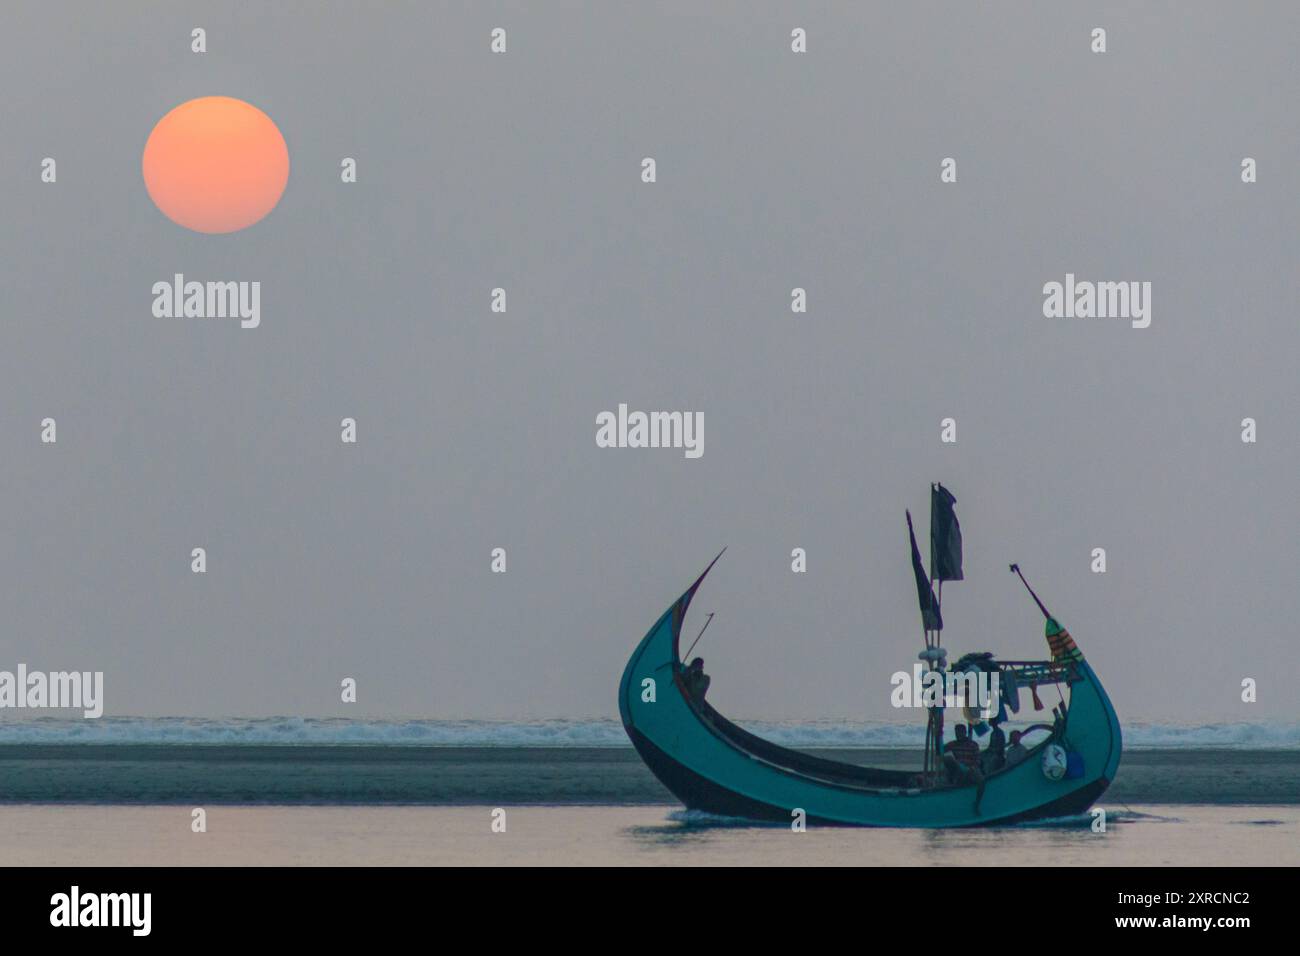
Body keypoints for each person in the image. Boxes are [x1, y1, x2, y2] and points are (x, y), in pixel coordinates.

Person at [943, 724, 986, 813]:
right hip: (958, 770)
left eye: (960, 732)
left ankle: (977, 804)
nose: (958, 735)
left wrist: (972, 767)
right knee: (952, 762)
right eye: (956, 733)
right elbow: (940, 750)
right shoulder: (953, 745)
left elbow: (977, 759)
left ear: (964, 733)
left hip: (971, 769)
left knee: (981, 781)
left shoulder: (973, 745)